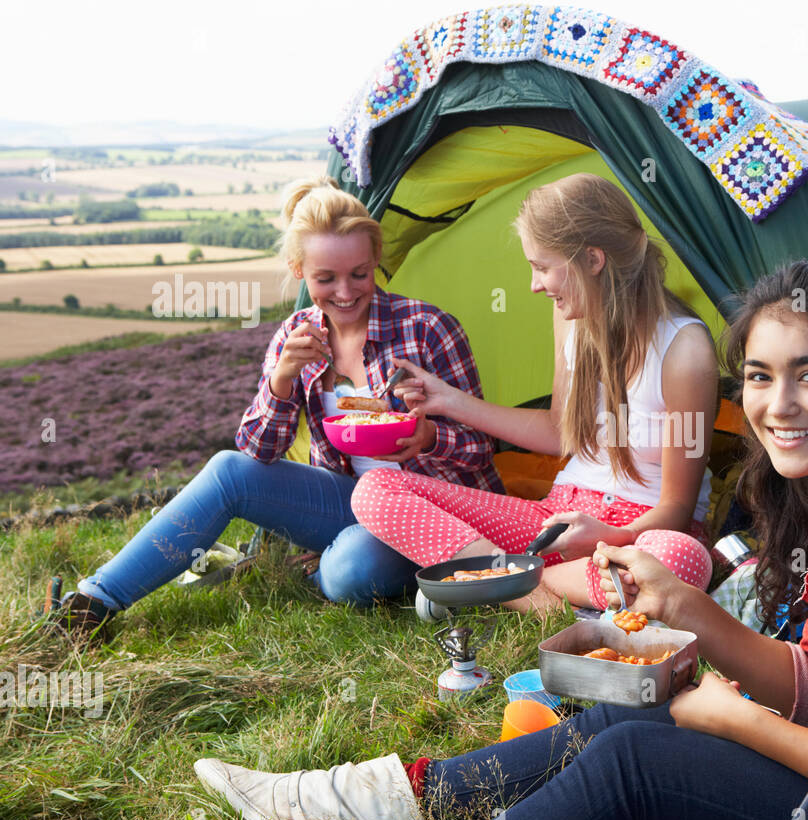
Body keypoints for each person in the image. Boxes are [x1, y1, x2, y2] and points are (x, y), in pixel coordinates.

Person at [193, 260, 808, 820]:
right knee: (642, 705)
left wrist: (736, 718)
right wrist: (690, 611)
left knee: (632, 764)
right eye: (758, 376)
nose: (777, 406)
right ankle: (362, 803)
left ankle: (356, 809)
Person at [44, 176, 503, 640]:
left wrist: (428, 438)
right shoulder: (295, 335)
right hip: (354, 501)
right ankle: (90, 606)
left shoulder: (427, 327)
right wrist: (282, 379)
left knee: (350, 570)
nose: (345, 292)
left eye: (359, 274)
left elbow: (482, 448)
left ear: (376, 260)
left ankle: (336, 569)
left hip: (434, 510)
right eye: (326, 279)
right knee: (228, 471)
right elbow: (257, 452)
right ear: (299, 270)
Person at [347, 172, 718, 613]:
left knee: (680, 558)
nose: (534, 285)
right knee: (375, 489)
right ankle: (542, 596)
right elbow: (561, 433)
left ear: (593, 260)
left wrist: (606, 535)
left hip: (637, 531)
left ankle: (498, 584)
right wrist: (446, 399)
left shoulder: (684, 351)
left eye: (542, 267)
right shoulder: (572, 319)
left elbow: (677, 507)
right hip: (557, 520)